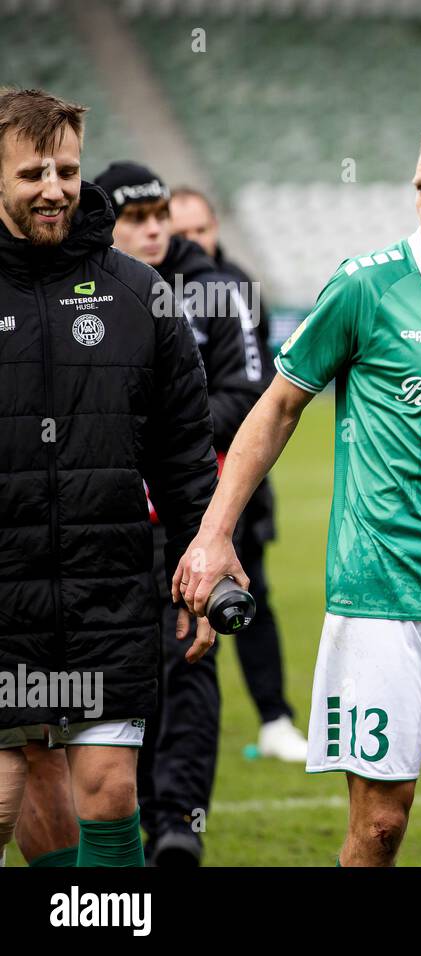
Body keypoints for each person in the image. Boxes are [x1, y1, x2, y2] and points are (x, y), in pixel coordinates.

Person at [172, 117, 421, 866]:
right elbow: (277, 407)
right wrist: (215, 534)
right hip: (382, 600)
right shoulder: (365, 285)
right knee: (380, 828)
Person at [0, 87, 217, 867]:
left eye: (65, 169)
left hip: (107, 587)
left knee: (109, 791)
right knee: (12, 784)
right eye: (31, 174)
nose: (54, 188)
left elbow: (186, 451)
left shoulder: (137, 292)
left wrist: (202, 564)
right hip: (6, 590)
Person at [92, 161, 263, 865]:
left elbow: (248, 391)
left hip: (199, 517)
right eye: (136, 218)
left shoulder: (221, 292)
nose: (154, 227)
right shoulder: (88, 291)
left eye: (160, 213)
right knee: (121, 676)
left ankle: (178, 824)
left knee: (190, 663)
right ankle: (124, 819)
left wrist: (163, 434)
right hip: (107, 526)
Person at [170, 185, 308, 764]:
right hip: (172, 483)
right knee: (172, 598)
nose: (194, 241)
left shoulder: (237, 288)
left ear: (215, 226)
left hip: (241, 475)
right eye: (183, 232)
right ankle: (171, 722)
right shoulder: (145, 289)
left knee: (255, 591)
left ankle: (275, 716)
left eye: (201, 229)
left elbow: (259, 394)